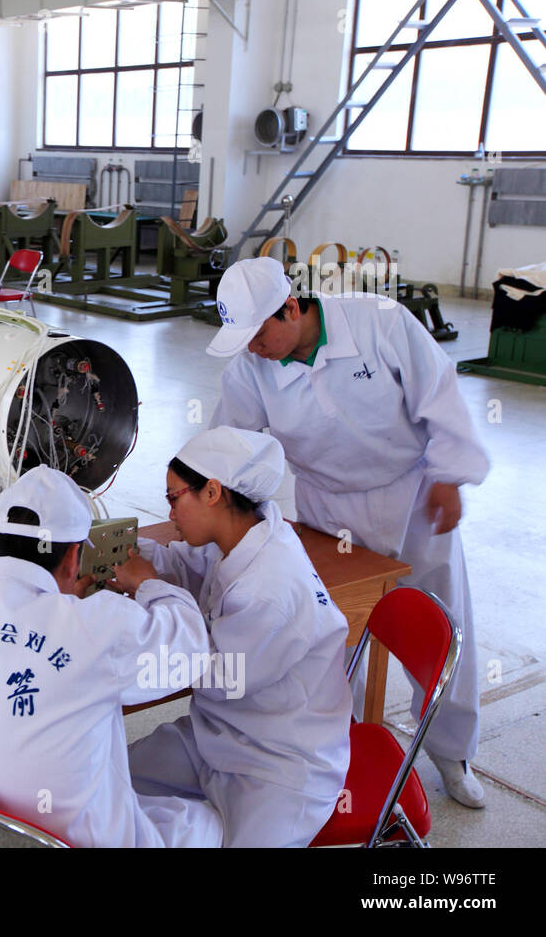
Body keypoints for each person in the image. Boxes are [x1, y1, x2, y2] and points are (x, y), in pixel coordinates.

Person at [206, 257, 490, 809]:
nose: (254, 349)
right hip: (326, 511)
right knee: (333, 636)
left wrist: (451, 475)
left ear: (292, 306)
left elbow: (440, 393)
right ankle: (341, 747)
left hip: (412, 498)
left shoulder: (380, 323)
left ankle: (451, 749)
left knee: (442, 623)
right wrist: (210, 498)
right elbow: (230, 442)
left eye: (260, 334)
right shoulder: (253, 366)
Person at [0, 465, 224, 848]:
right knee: (210, 823)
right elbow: (188, 651)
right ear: (73, 558)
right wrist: (148, 582)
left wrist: (64, 607)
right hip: (86, 842)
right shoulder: (97, 626)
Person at [118, 426, 352, 848]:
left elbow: (217, 676)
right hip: (220, 733)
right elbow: (189, 568)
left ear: (211, 492)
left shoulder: (271, 586)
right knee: (111, 781)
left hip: (277, 764)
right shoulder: (244, 534)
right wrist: (126, 551)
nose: (170, 514)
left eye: (174, 498)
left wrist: (150, 589)